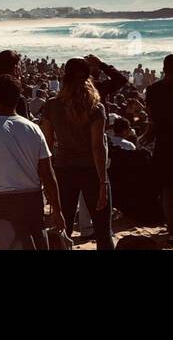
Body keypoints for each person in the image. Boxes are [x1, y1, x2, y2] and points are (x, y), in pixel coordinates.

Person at [0, 76, 64, 250]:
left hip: (3, 202)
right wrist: (57, 209)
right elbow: (47, 173)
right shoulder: (34, 129)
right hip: (34, 200)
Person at [41, 58, 114, 250]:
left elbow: (47, 144)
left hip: (63, 170)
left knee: (62, 229)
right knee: (103, 232)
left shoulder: (52, 105)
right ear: (88, 77)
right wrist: (103, 182)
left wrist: (46, 177)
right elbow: (97, 147)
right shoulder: (96, 107)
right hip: (91, 171)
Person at [146, 54, 173, 243]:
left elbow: (152, 118)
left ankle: (172, 229)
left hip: (162, 144)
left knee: (168, 191)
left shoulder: (152, 90)